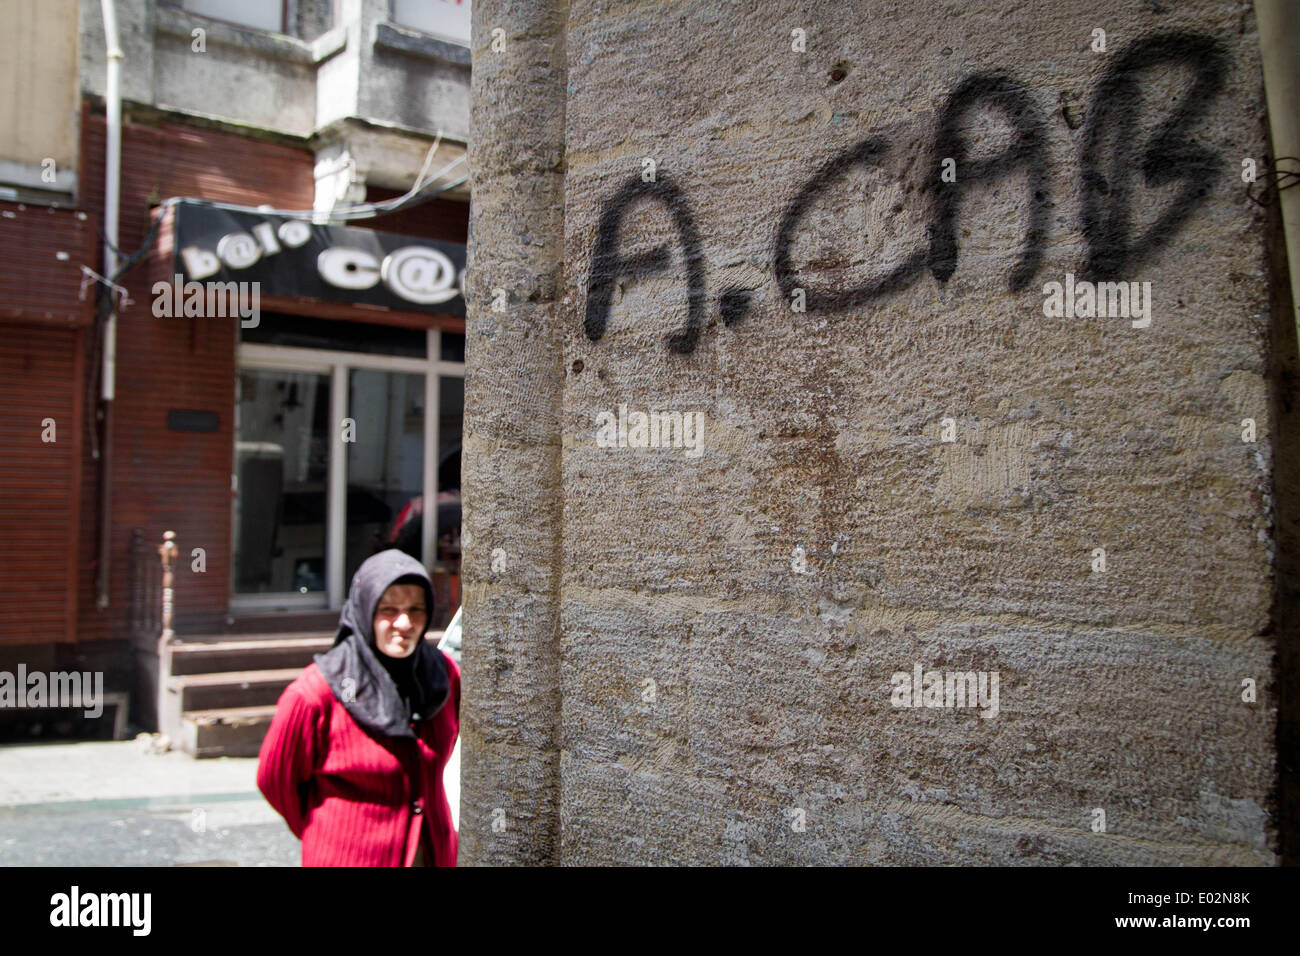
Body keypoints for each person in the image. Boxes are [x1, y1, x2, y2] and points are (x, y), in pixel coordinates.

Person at [257, 549, 460, 866]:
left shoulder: (442, 676)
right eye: (389, 610)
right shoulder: (316, 693)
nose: (404, 623)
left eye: (416, 610)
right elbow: (275, 780)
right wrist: (329, 833)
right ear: (365, 610)